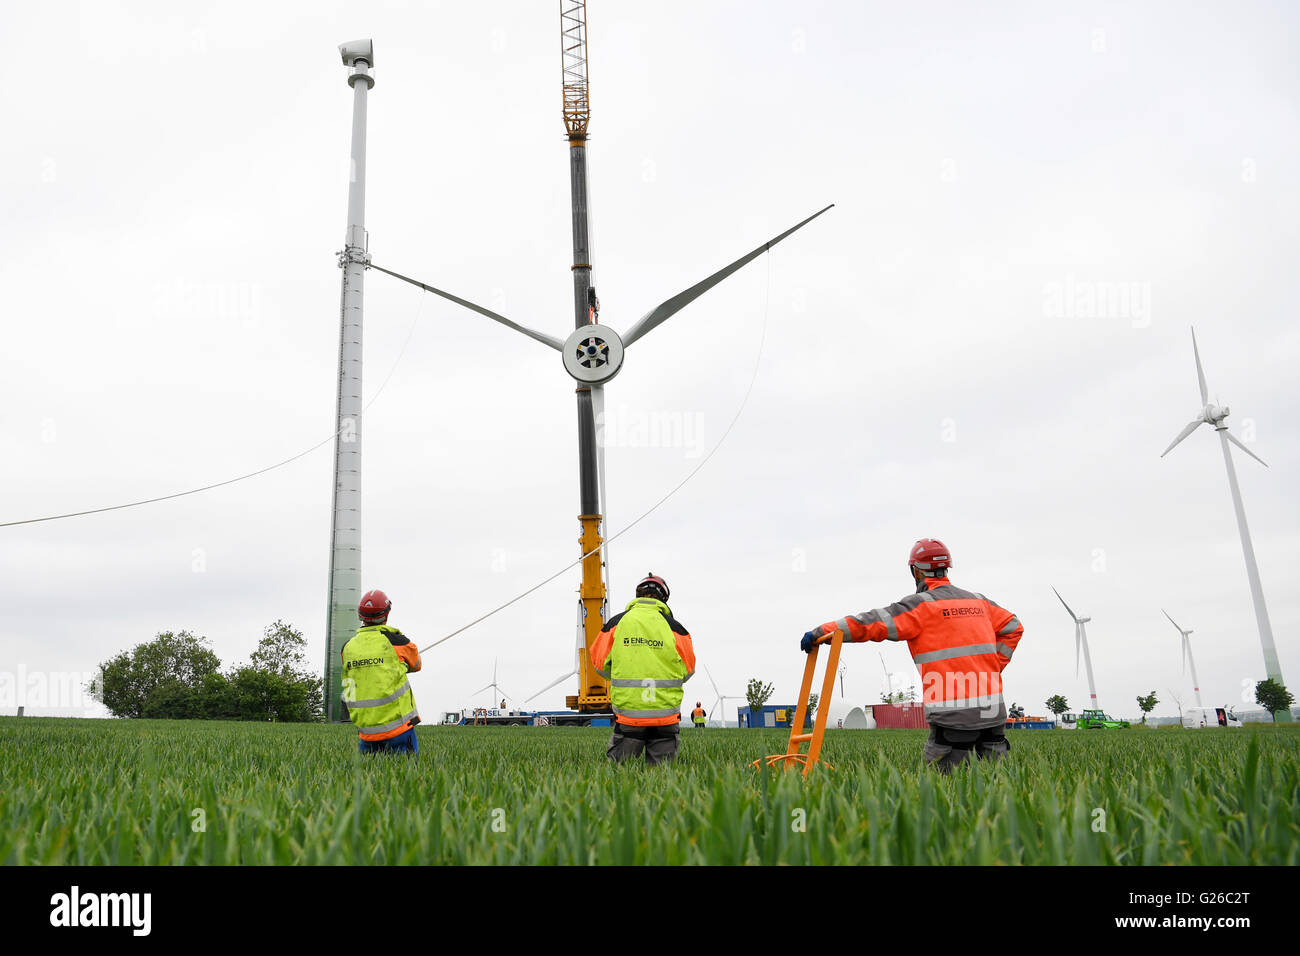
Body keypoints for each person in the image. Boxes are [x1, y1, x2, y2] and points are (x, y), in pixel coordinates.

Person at [800, 539, 1023, 774]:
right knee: (997, 786)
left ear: (916, 571)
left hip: (953, 716)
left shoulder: (921, 606)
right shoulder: (978, 602)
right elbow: (1014, 626)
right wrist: (993, 667)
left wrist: (821, 632)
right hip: (993, 712)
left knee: (945, 792)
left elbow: (869, 623)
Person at [591, 573, 696, 765]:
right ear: (664, 599)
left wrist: (621, 673)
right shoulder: (676, 628)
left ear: (638, 595)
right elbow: (688, 670)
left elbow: (598, 664)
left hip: (629, 717)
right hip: (665, 718)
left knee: (618, 778)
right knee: (662, 780)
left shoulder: (616, 623)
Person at [341, 589, 422, 755]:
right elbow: (416, 665)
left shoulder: (347, 648)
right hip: (398, 729)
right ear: (386, 614)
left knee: (369, 779)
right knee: (406, 778)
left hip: (366, 733)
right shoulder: (397, 642)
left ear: (361, 616)